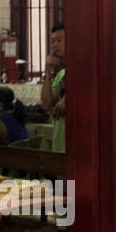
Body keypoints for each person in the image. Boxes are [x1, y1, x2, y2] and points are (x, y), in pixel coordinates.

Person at [40, 23, 66, 153]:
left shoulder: (82, 70)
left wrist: (55, 110)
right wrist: (47, 71)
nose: (54, 45)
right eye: (53, 41)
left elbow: (61, 108)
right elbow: (46, 104)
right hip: (59, 145)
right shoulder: (61, 74)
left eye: (59, 40)